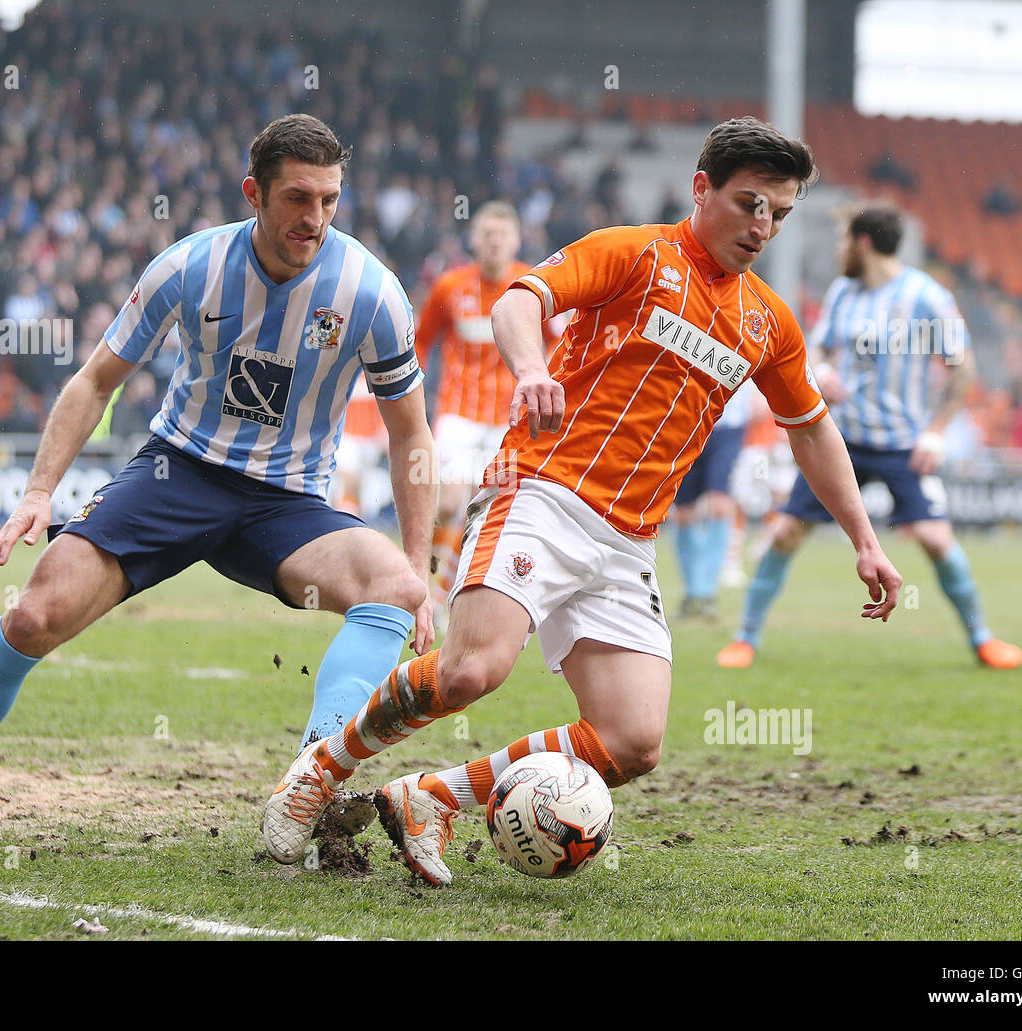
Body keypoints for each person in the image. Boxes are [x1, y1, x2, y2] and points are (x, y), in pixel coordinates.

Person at [260, 118, 904, 886]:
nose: (763, 226)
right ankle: (319, 770)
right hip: (543, 490)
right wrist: (531, 367)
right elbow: (518, 302)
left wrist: (865, 539)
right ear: (702, 190)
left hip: (628, 541)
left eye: (779, 213)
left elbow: (812, 431)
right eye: (749, 203)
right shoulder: (636, 252)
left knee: (633, 740)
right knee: (470, 672)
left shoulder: (769, 320)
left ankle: (431, 796)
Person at [0, 114, 437, 852]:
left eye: (329, 200)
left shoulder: (372, 293)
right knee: (35, 614)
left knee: (394, 587)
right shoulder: (188, 266)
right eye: (297, 198)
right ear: (253, 193)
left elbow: (410, 432)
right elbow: (96, 381)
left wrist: (419, 566)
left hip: (286, 501)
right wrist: (39, 492)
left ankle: (311, 787)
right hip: (177, 473)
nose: (315, 218)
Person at [716, 205, 1022, 670]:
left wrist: (936, 433)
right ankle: (745, 639)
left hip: (903, 444)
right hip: (843, 441)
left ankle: (983, 639)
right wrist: (819, 371)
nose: (840, 250)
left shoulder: (927, 296)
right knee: (785, 533)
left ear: (862, 242)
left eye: (843, 240)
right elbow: (815, 348)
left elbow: (963, 369)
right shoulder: (843, 294)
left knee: (936, 540)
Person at [412, 200, 559, 619]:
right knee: (446, 503)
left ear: (516, 240)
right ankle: (426, 585)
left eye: (503, 235)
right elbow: (422, 339)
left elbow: (558, 341)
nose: (494, 243)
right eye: (487, 235)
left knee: (488, 507)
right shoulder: (450, 286)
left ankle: (444, 595)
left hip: (509, 419)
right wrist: (414, 389)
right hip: (457, 411)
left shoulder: (532, 288)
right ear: (473, 239)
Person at [669, 381, 751, 619]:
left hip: (728, 427)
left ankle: (705, 592)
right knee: (683, 513)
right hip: (687, 423)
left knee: (720, 506)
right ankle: (692, 591)